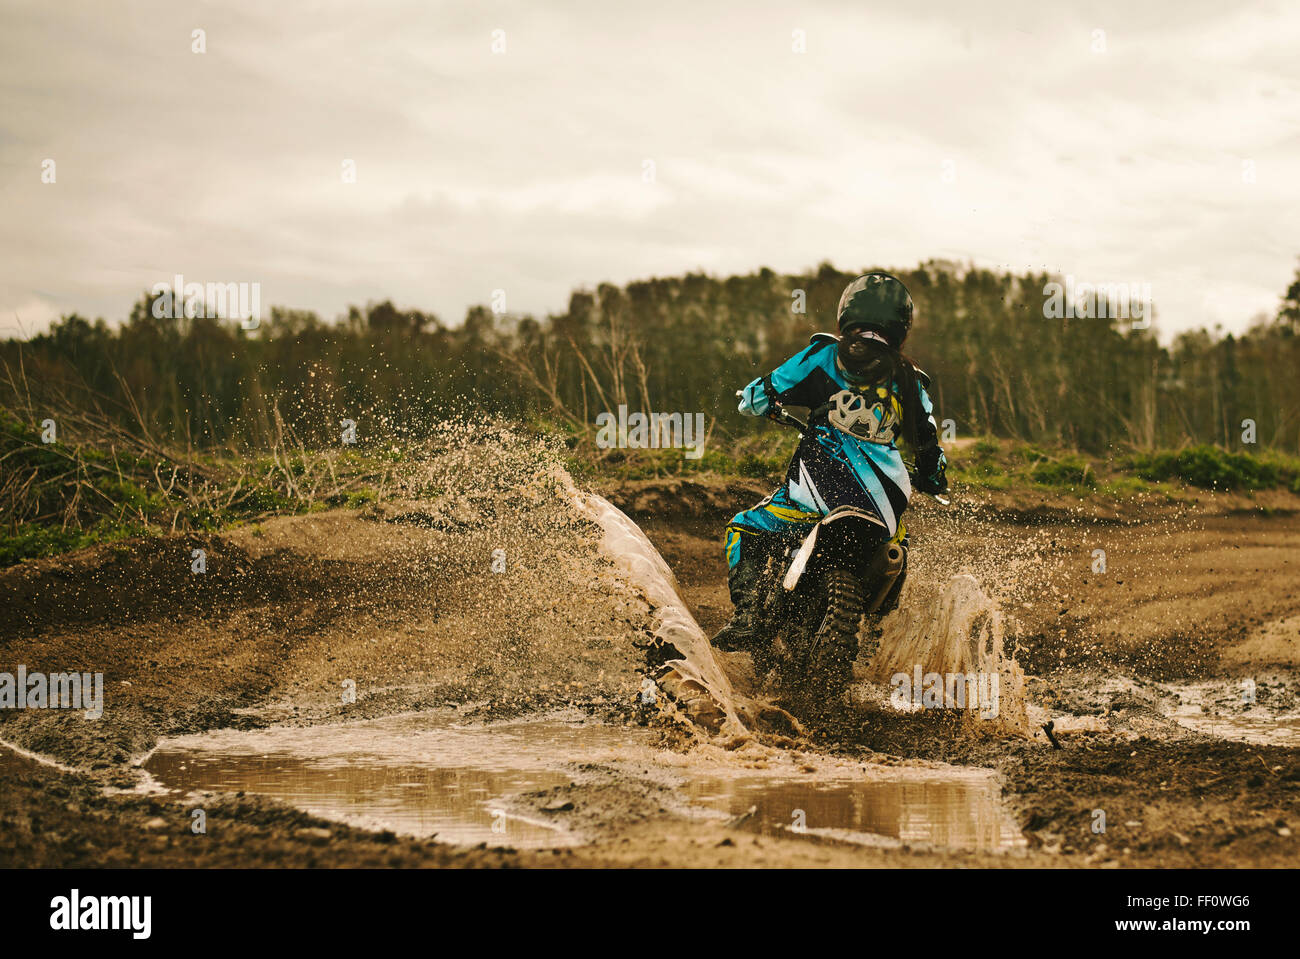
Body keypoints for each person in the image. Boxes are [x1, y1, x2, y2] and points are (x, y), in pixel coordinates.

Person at [712, 272, 948, 651]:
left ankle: (749, 617)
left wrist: (758, 401)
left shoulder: (823, 355)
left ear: (846, 313)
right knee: (898, 547)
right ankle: (876, 633)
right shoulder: (910, 379)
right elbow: (931, 451)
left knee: (743, 528)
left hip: (814, 496)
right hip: (883, 507)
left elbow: (761, 394)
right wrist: (933, 480)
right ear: (902, 326)